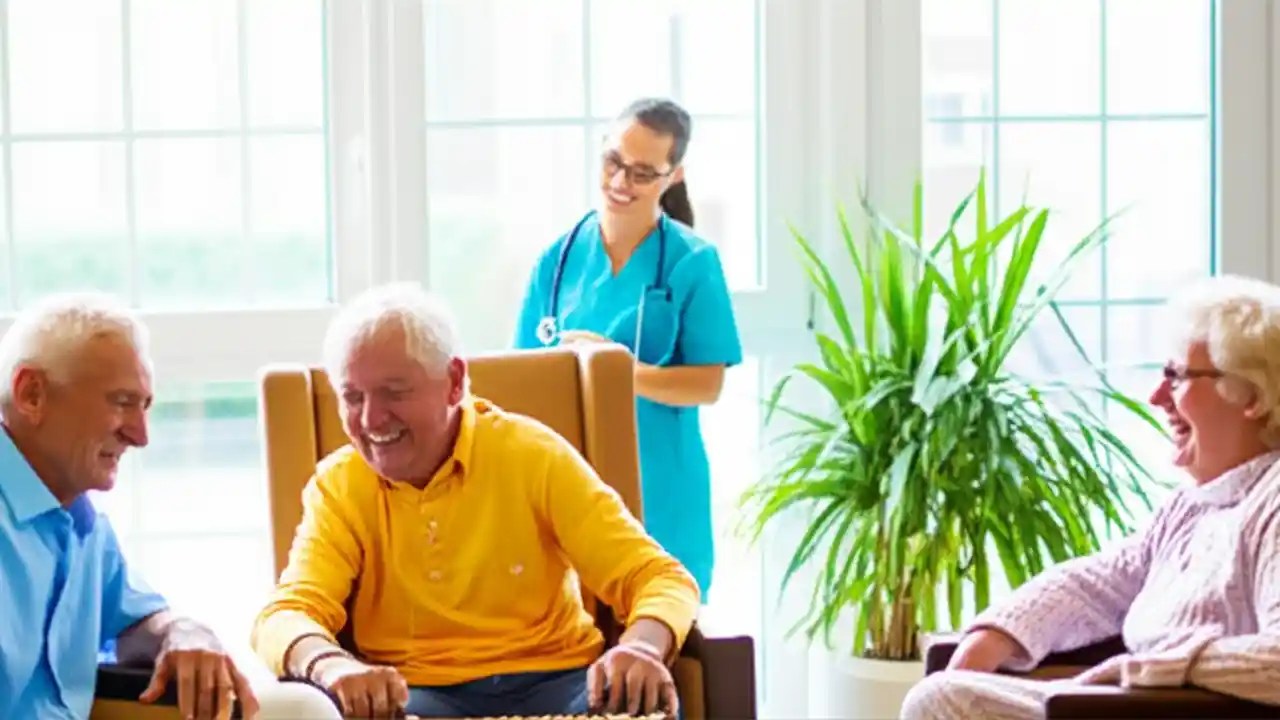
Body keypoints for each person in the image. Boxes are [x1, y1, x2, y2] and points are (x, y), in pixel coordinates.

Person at [250, 282, 700, 719]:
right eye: (352, 397)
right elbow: (286, 614)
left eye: (394, 392)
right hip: (416, 696)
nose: (370, 419)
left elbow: (659, 577)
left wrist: (641, 647)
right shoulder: (340, 484)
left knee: (646, 704)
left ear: (453, 382)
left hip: (561, 684)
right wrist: (333, 666)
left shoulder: (533, 454)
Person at [900, 273, 1280, 719]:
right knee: (947, 692)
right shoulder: (1193, 506)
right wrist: (999, 633)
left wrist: (1155, 668)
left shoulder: (1272, 502)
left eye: (1177, 377)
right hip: (1122, 709)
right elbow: (1097, 583)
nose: (1157, 396)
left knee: (942, 702)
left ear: (1251, 394)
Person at [513, 97, 742, 597]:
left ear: (673, 175)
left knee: (662, 636)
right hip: (567, 484)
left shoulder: (692, 262)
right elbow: (519, 383)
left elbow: (707, 383)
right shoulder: (556, 261)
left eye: (642, 173)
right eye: (613, 162)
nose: (620, 183)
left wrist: (615, 369)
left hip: (662, 487)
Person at [0, 292, 265, 720]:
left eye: (145, 406)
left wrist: (181, 630)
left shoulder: (81, 524)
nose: (141, 436)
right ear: (31, 394)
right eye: (121, 402)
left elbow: (135, 618)